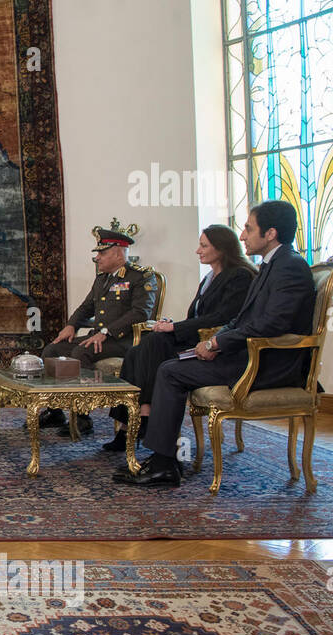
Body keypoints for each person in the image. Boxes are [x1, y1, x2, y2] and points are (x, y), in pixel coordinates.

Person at [114, 200, 316, 487]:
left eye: (248, 228)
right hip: (247, 355)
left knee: (170, 372)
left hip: (269, 364)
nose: (243, 235)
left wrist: (216, 343)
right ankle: (163, 459)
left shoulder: (289, 267)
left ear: (270, 234)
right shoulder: (272, 265)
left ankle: (164, 464)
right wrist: (214, 343)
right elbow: (243, 319)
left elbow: (271, 325)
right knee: (171, 365)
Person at [103, 226, 256, 453]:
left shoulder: (239, 276)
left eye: (204, 246)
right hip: (194, 337)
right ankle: (128, 426)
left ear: (222, 248)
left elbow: (221, 318)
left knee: (153, 344)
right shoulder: (210, 278)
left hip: (214, 344)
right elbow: (196, 317)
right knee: (136, 352)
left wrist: (174, 328)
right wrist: (170, 324)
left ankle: (142, 418)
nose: (197, 251)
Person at [37, 226, 157, 436]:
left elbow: (141, 313)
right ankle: (55, 411)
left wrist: (108, 331)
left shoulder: (141, 277)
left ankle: (83, 417)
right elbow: (86, 307)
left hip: (125, 340)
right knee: (52, 350)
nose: (97, 258)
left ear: (118, 253)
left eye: (102, 253)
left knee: (80, 352)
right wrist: (71, 325)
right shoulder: (103, 278)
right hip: (100, 337)